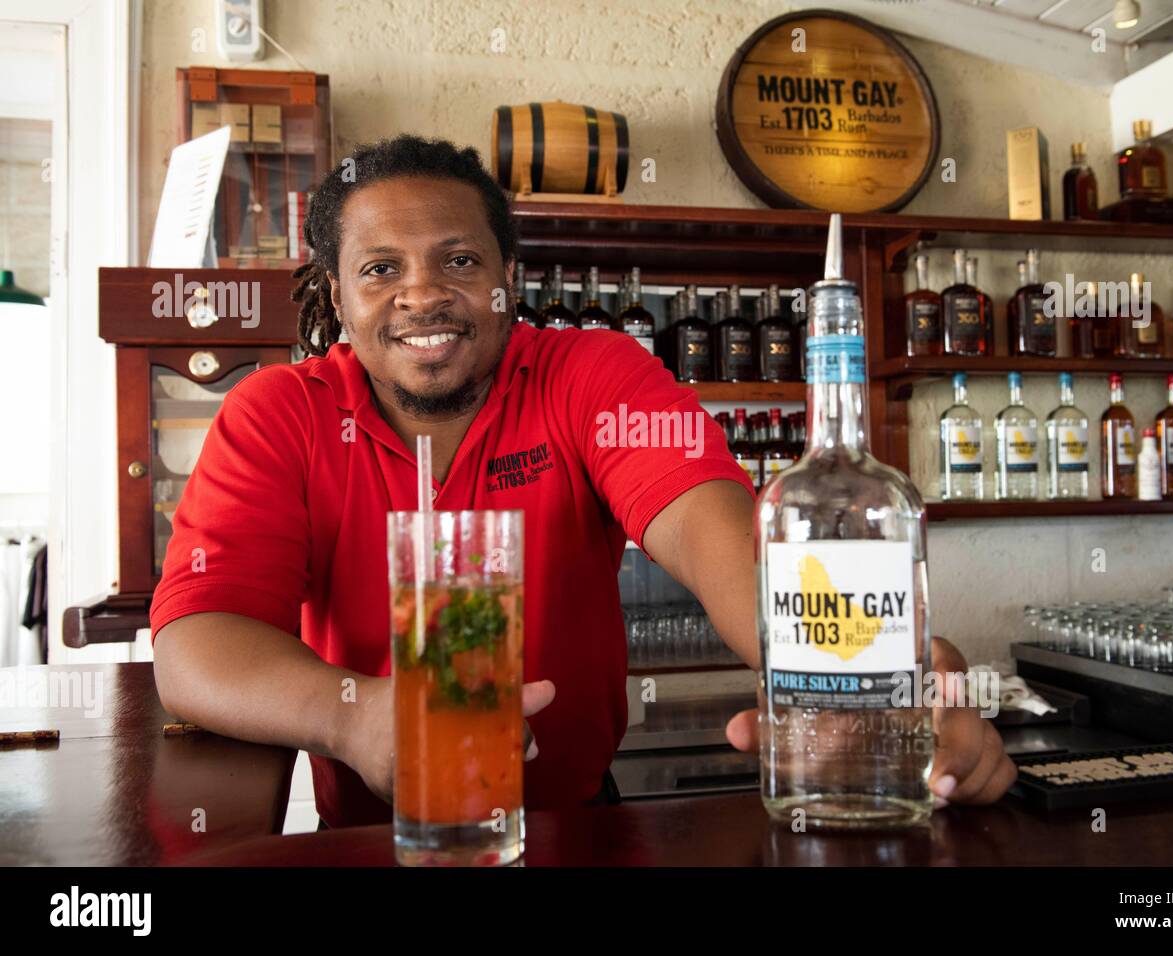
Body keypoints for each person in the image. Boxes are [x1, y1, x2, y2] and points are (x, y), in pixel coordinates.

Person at [151, 135, 1014, 829]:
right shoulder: (280, 413)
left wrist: (885, 686)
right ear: (338, 296)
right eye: (380, 269)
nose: (422, 295)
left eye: (458, 261)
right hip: (376, 839)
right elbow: (197, 646)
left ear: (506, 280)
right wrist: (354, 716)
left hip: (578, 831)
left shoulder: (594, 374)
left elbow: (733, 556)